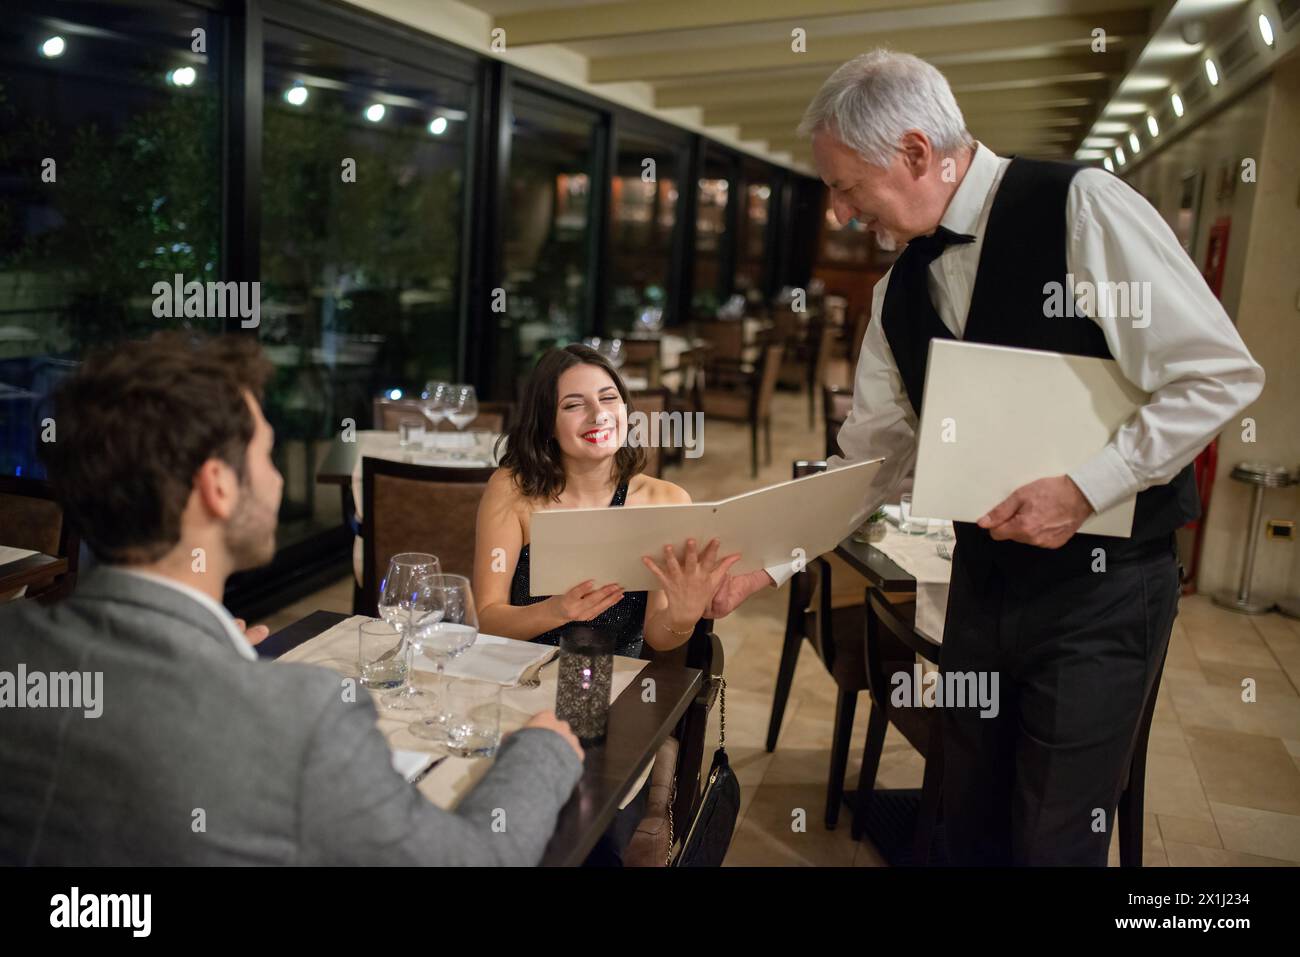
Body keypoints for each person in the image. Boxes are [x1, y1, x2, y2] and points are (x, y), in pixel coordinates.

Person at [717, 50, 1265, 865]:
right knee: (959, 818)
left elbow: (1217, 372)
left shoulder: (1080, 207)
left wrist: (1087, 487)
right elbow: (868, 460)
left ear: (911, 152)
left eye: (843, 185)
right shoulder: (896, 291)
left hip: (1102, 595)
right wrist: (763, 559)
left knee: (1052, 835)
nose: (835, 213)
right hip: (977, 588)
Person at [0, 332, 585, 866]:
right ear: (218, 487)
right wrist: (542, 752)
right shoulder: (305, 718)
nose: (279, 479)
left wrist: (223, 661)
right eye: (266, 455)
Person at [474, 343, 739, 659]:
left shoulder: (665, 500)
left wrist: (681, 617)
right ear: (547, 424)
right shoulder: (512, 489)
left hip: (615, 686)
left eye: (609, 398)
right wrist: (557, 610)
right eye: (574, 405)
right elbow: (487, 620)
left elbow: (660, 637)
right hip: (520, 676)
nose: (599, 415)